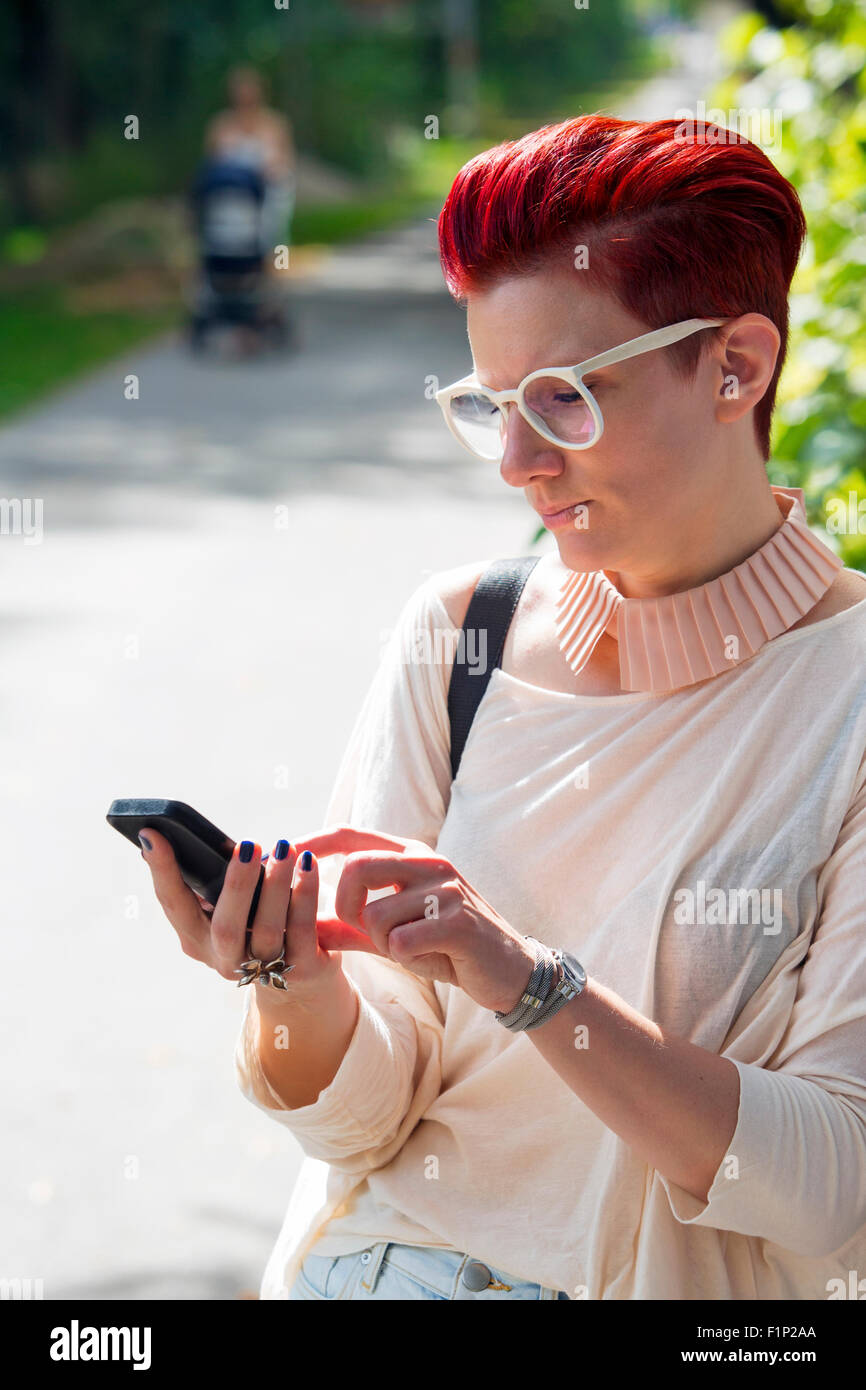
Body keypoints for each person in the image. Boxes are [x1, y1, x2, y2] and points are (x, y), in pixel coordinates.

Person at [139, 114, 866, 1301]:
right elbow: (363, 1126)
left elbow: (834, 1181)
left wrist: (524, 980)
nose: (515, 460)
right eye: (491, 403)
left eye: (566, 398)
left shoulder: (844, 694)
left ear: (735, 364)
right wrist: (294, 985)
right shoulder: (458, 632)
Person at [204, 65, 296, 255]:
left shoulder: (275, 123)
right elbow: (210, 163)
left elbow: (286, 161)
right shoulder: (220, 124)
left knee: (276, 201)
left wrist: (269, 171)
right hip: (231, 187)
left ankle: (273, 257)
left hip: (268, 187)